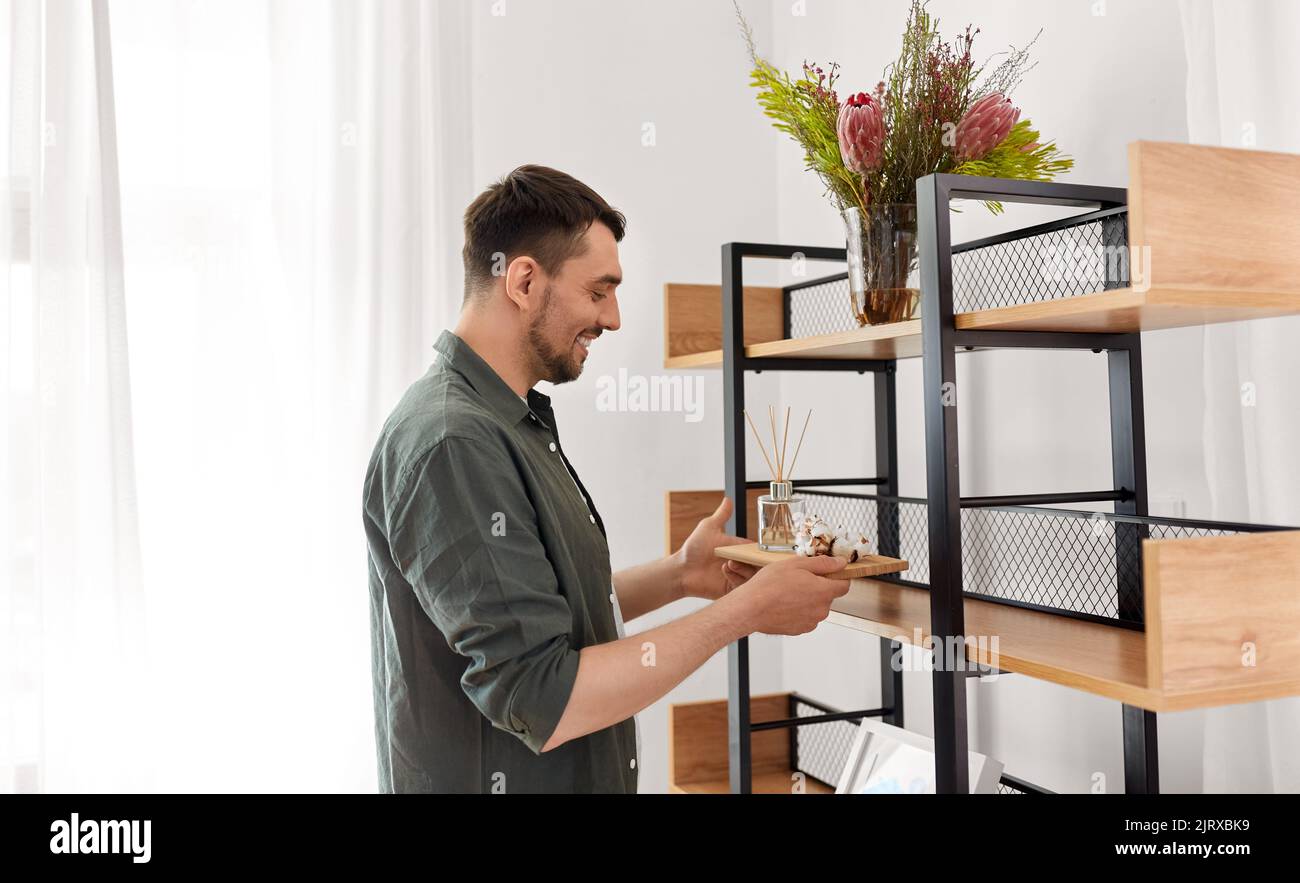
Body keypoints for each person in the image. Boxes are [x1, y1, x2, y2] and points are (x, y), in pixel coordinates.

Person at [362, 164, 848, 793]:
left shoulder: (504, 422)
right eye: (598, 291)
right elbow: (544, 694)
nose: (613, 318)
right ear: (524, 280)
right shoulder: (455, 442)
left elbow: (533, 608)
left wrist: (679, 577)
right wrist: (746, 613)